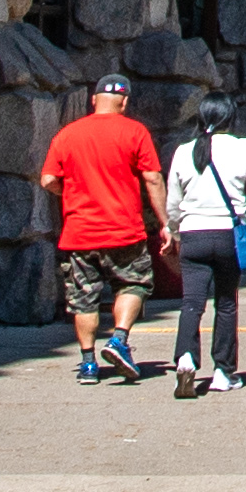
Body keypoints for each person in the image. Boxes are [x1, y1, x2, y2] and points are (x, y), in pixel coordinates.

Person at [39, 74, 163, 383]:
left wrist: (69, 192)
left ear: (93, 100)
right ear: (125, 102)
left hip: (79, 233)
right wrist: (165, 222)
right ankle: (119, 338)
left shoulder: (67, 135)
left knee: (84, 299)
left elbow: (48, 180)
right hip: (124, 230)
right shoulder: (136, 132)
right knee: (134, 284)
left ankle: (88, 364)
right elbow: (152, 178)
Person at [157, 97, 246, 398]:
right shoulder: (242, 147)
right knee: (226, 303)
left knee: (191, 303)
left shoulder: (184, 151)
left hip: (193, 234)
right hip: (228, 236)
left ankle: (185, 359)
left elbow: (173, 202)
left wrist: (173, 231)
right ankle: (223, 371)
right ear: (231, 117)